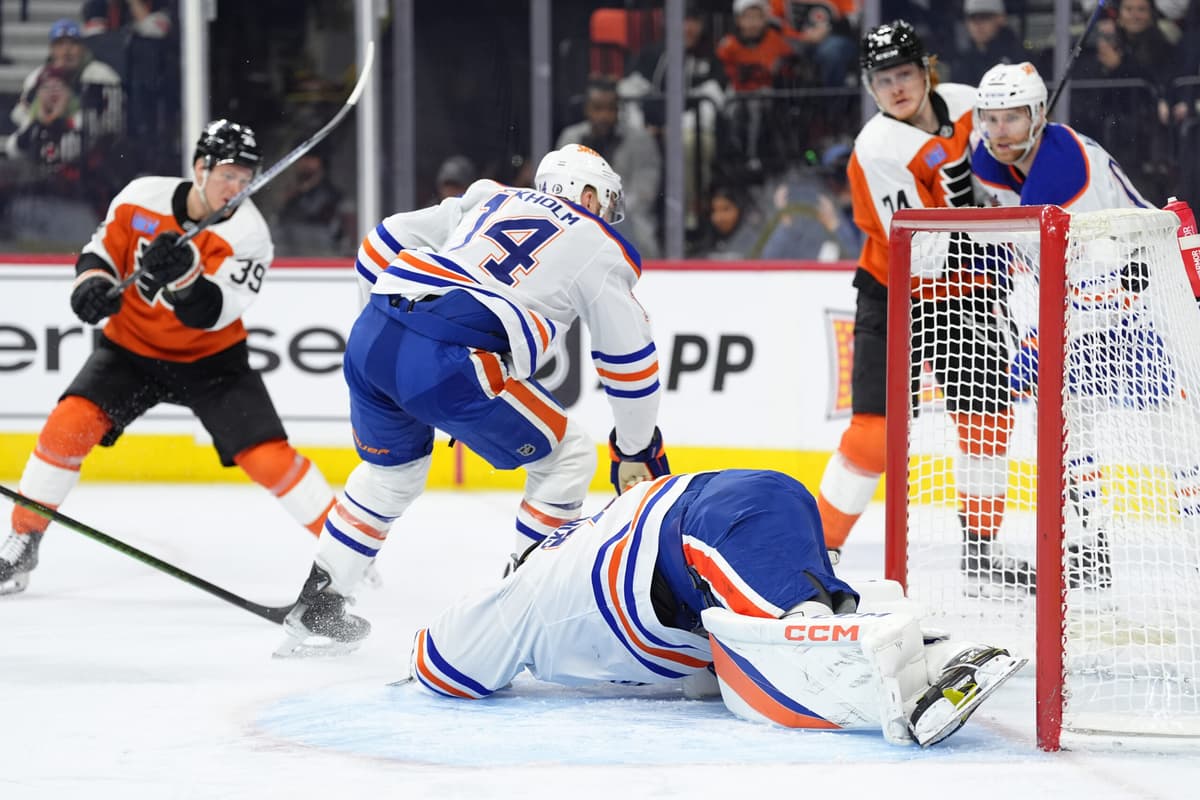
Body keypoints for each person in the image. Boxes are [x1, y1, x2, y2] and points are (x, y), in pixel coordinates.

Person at [275, 143, 670, 655]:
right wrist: (635, 448)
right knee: (568, 456)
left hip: (374, 333)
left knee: (390, 476)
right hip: (449, 357)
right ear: (588, 194)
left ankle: (318, 607)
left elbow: (381, 242)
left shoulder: (491, 197)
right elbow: (630, 364)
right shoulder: (599, 242)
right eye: (606, 201)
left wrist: (397, 319)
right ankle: (527, 615)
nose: (607, 213)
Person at [403, 469, 1025, 748]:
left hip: (698, 534)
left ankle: (920, 678)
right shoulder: (573, 548)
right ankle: (938, 650)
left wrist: (416, 657)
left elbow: (442, 660)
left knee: (801, 643)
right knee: (808, 611)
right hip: (741, 503)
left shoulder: (526, 595)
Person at [0, 120, 338, 596]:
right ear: (200, 168)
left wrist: (184, 277)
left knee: (269, 459)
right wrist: (91, 286)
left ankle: (347, 554)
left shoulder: (250, 235)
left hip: (212, 363)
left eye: (245, 178)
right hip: (130, 351)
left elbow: (211, 313)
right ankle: (23, 542)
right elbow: (100, 253)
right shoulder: (143, 197)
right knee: (68, 424)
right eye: (227, 175)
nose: (236, 188)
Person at [814, 21, 1029, 598]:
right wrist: (967, 211)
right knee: (874, 436)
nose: (896, 88)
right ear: (870, 86)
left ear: (926, 71)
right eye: (883, 80)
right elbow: (917, 247)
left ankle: (982, 554)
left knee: (987, 422)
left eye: (905, 74)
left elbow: (1012, 162)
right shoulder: (876, 147)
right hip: (896, 293)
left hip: (971, 293)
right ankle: (816, 554)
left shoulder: (968, 105)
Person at [971, 61, 1160, 589]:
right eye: (991, 118)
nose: (999, 131)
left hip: (1143, 283)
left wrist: (1039, 329)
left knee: (1172, 427)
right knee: (1065, 422)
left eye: (1012, 117)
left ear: (1038, 115)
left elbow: (1094, 261)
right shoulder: (989, 159)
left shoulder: (1064, 167)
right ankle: (1091, 543)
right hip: (1078, 297)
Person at [556, 79, 662, 258]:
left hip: (629, 223)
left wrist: (606, 212)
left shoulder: (640, 140)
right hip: (577, 220)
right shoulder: (571, 138)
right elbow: (557, 188)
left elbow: (644, 194)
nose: (604, 116)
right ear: (587, 110)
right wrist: (585, 215)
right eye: (598, 108)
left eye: (610, 109)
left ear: (618, 110)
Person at [10, 18, 123, 142]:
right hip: (46, 137)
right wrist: (40, 120)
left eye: (73, 43)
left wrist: (69, 123)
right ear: (52, 50)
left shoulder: (101, 75)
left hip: (90, 139)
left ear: (83, 48)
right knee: (14, 144)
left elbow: (112, 121)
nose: (66, 51)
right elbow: (19, 113)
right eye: (60, 44)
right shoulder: (38, 76)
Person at [945, 0, 1030, 87]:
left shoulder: (1019, 59)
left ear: (1001, 19)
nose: (977, 25)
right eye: (972, 18)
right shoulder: (962, 63)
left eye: (984, 17)